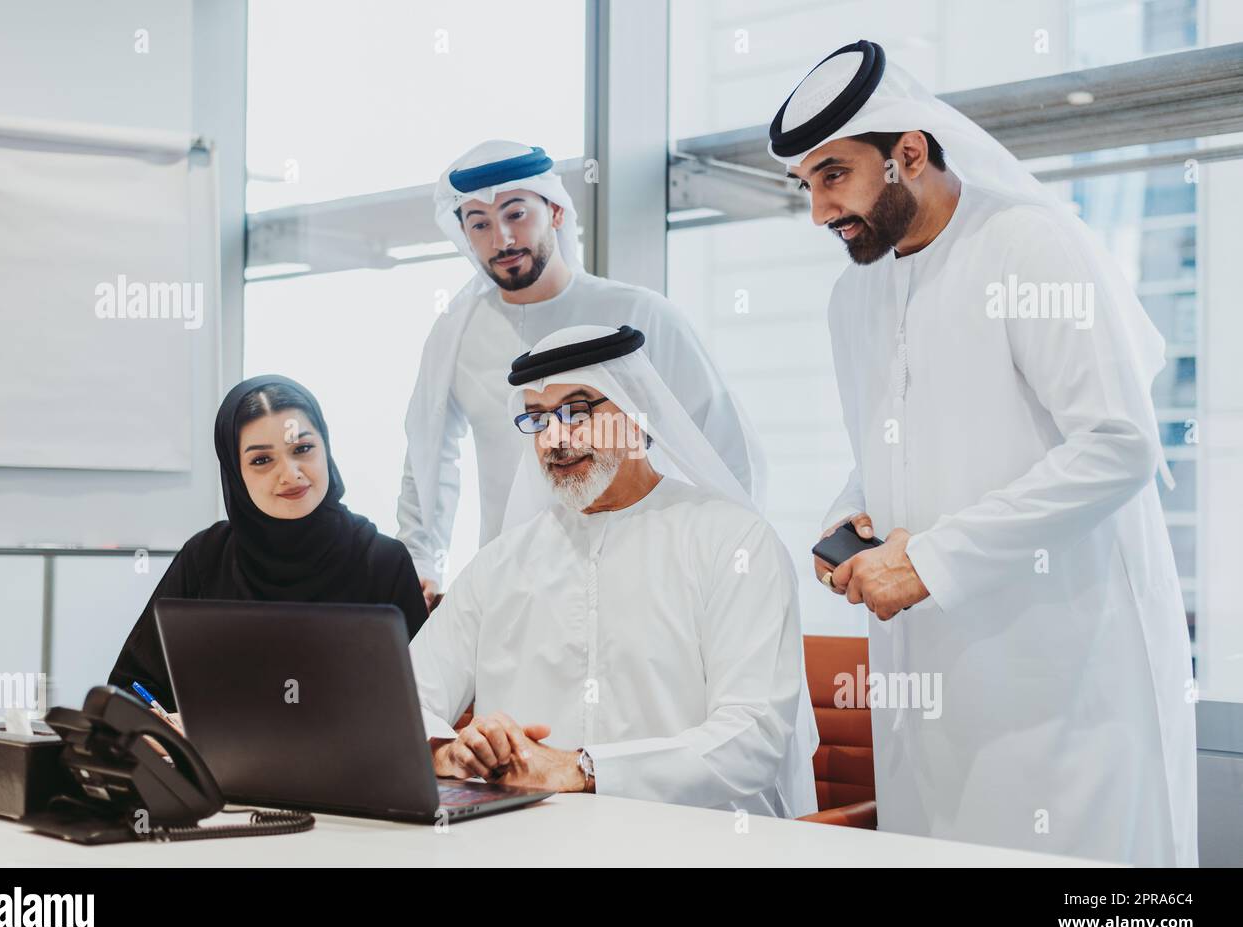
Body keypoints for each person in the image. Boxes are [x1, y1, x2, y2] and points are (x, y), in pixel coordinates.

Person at [769, 40, 1195, 864]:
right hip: (922, 680)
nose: (820, 211)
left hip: (1058, 681)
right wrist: (844, 522)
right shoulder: (851, 297)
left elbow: (1119, 444)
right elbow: (885, 447)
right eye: (807, 187)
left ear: (910, 155)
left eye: (834, 176)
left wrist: (934, 558)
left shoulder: (1029, 247)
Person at [408, 325, 816, 817]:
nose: (554, 439)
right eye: (538, 420)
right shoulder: (500, 563)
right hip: (527, 844)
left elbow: (753, 738)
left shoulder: (733, 542)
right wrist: (448, 751)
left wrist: (581, 770)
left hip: (693, 844)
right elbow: (404, 700)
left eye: (577, 412)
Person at [398, 140, 766, 605]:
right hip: (510, 587)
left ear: (554, 211)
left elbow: (723, 445)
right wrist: (420, 562)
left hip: (638, 584)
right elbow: (428, 455)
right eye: (480, 225)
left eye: (515, 214)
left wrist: (729, 566)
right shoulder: (454, 334)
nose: (502, 239)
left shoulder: (638, 313)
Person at [109, 375, 428, 713]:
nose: (290, 474)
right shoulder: (206, 557)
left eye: (303, 449)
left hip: (356, 766)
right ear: (235, 473)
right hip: (217, 766)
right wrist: (152, 725)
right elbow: (132, 690)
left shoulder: (382, 562)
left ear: (326, 449)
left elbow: (427, 704)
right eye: (262, 460)